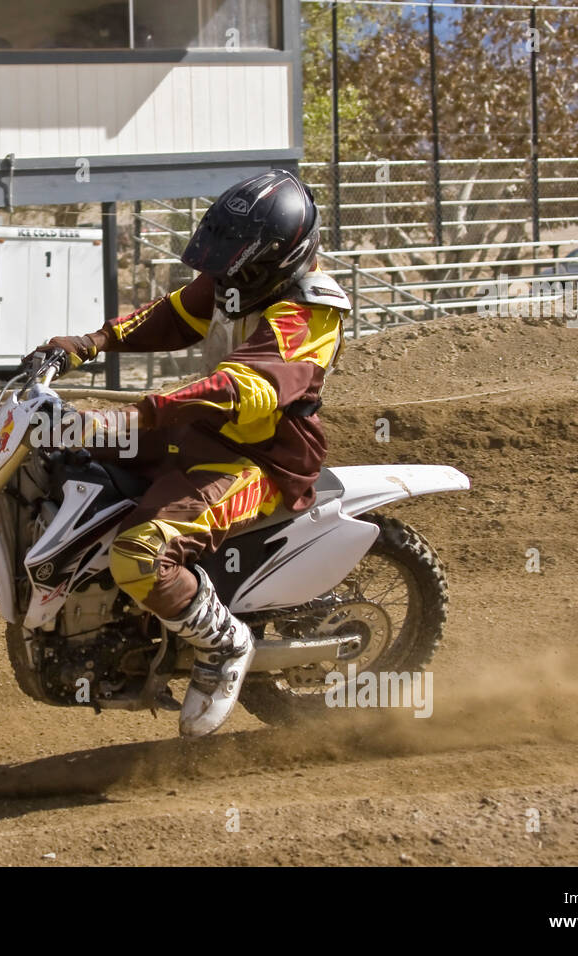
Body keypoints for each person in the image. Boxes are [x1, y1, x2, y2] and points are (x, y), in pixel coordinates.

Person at [33, 169, 351, 738]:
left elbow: (245, 388)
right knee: (61, 453)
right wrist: (91, 343)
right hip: (198, 431)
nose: (220, 270)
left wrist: (149, 411)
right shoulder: (238, 279)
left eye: (234, 259)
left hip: (257, 459)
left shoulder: (310, 310)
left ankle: (225, 643)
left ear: (276, 256)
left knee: (140, 554)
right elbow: (174, 313)